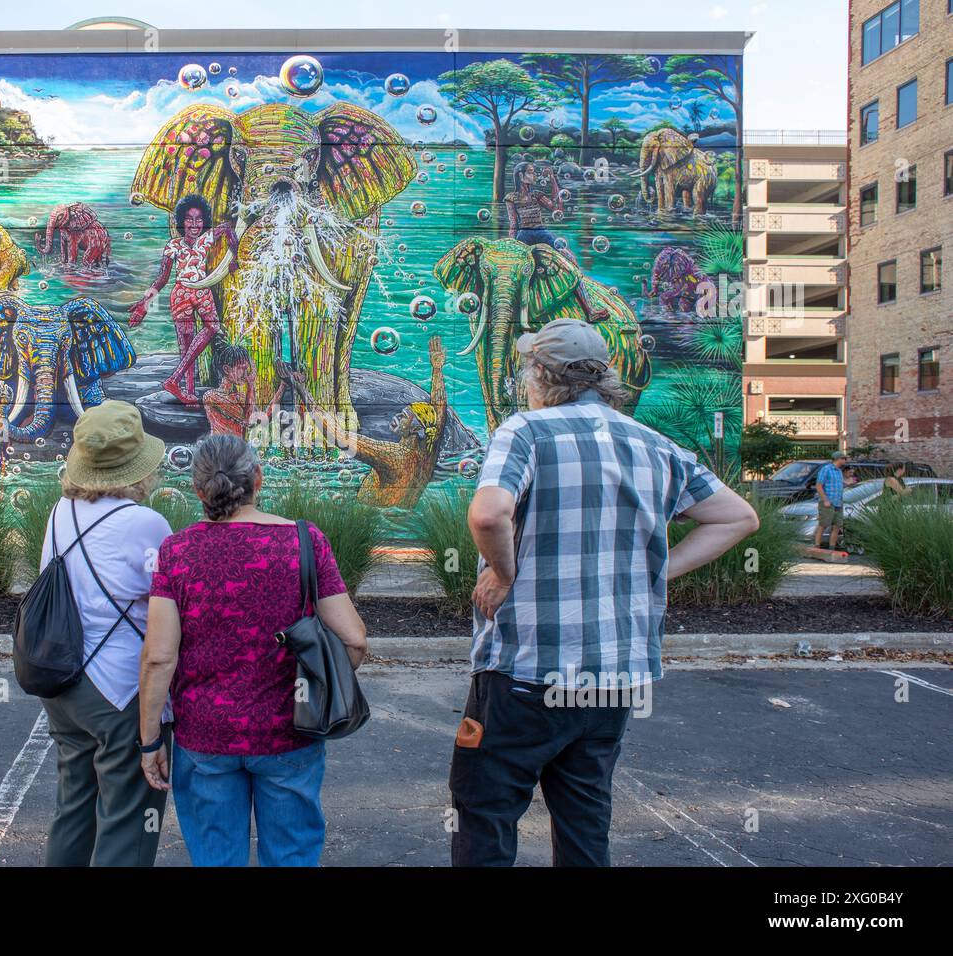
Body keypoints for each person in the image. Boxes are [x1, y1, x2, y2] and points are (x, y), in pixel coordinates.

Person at [454, 319, 758, 867]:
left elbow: (488, 512)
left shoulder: (525, 432)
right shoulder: (652, 444)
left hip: (525, 669)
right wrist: (655, 572)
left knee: (486, 811)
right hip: (613, 678)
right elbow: (737, 517)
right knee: (585, 819)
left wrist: (503, 574)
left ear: (542, 374)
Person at [136, 434, 368, 866]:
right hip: (289, 731)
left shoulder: (177, 552)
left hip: (205, 736)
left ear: (197, 490)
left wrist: (150, 741)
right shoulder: (305, 542)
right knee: (292, 855)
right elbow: (353, 639)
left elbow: (159, 657)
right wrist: (317, 687)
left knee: (216, 858)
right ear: (258, 478)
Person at [38, 400, 173, 867]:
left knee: (73, 803)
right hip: (120, 690)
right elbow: (169, 607)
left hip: (62, 681)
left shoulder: (61, 512)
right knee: (128, 818)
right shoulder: (146, 523)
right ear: (138, 466)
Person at [277, 335, 448, 509]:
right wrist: (437, 369)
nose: (397, 416)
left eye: (404, 416)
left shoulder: (394, 456)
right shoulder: (427, 453)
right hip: (397, 519)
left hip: (378, 519)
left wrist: (301, 389)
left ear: (416, 428)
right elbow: (439, 412)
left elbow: (339, 437)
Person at [129, 193, 240, 406]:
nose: (194, 224)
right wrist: (144, 304)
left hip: (202, 290)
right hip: (181, 294)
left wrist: (234, 257)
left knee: (213, 327)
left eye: (199, 219)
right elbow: (162, 278)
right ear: (182, 221)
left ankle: (174, 379)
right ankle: (188, 393)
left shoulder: (206, 239)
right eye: (189, 219)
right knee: (186, 345)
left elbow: (227, 227)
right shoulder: (173, 245)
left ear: (204, 220)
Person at [503, 163, 609, 323]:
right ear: (520, 175)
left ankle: (589, 309)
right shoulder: (511, 198)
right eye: (531, 172)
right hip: (524, 234)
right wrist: (512, 247)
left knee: (570, 260)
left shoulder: (536, 195)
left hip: (541, 232)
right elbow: (513, 224)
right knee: (520, 274)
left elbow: (557, 208)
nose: (534, 175)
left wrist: (553, 179)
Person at [201, 344, 283, 438]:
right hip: (221, 449)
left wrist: (282, 386)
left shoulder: (241, 397)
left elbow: (264, 418)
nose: (246, 374)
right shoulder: (211, 396)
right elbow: (249, 420)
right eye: (242, 368)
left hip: (239, 449)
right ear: (227, 369)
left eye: (247, 369)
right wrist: (250, 385)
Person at [813, 451, 849, 550]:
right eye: (844, 458)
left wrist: (848, 483)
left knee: (837, 526)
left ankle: (831, 548)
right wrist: (825, 500)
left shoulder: (839, 471)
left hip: (838, 502)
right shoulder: (826, 469)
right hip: (828, 502)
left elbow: (838, 484)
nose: (845, 460)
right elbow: (819, 485)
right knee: (823, 525)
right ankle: (817, 547)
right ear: (838, 459)